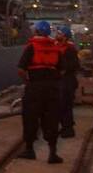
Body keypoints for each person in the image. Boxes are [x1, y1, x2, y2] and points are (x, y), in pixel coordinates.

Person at [17, 20, 63, 163]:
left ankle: (29, 150)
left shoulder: (31, 47)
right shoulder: (56, 47)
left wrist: (28, 82)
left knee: (30, 117)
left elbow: (20, 69)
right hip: (52, 88)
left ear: (36, 31)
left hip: (35, 87)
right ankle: (53, 153)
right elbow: (61, 69)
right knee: (52, 118)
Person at [55, 25, 79, 138]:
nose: (57, 35)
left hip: (67, 82)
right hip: (60, 81)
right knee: (59, 106)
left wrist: (63, 70)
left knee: (66, 105)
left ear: (64, 36)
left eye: (59, 33)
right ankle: (64, 126)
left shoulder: (70, 49)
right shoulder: (58, 47)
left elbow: (75, 65)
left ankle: (69, 129)